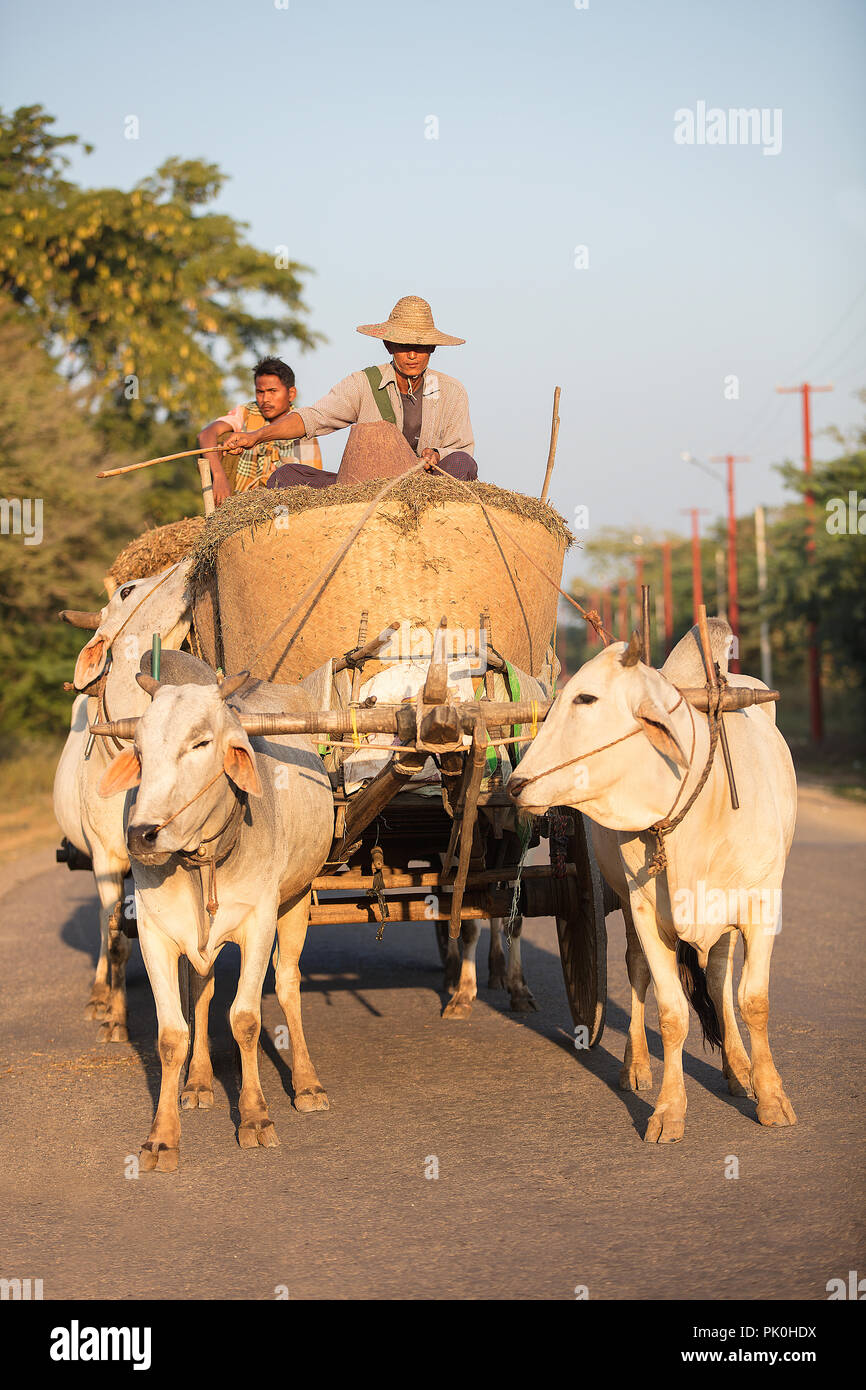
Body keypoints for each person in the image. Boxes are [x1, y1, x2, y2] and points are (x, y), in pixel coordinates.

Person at [220, 297, 478, 488]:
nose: (412, 355)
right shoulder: (363, 384)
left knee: (462, 464)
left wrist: (436, 454)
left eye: (420, 347)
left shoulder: (451, 391)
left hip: (427, 488)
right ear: (389, 346)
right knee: (285, 477)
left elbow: (461, 451)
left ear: (432, 348)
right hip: (364, 488)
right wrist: (256, 436)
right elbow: (314, 417)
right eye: (404, 346)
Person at [198, 357, 322, 505]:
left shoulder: (303, 428)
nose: (265, 399)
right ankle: (224, 505)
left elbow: (313, 485)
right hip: (236, 498)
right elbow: (206, 434)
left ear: (291, 394)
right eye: (260, 392)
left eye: (272, 391)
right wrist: (218, 476)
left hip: (279, 506)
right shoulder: (247, 413)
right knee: (223, 438)